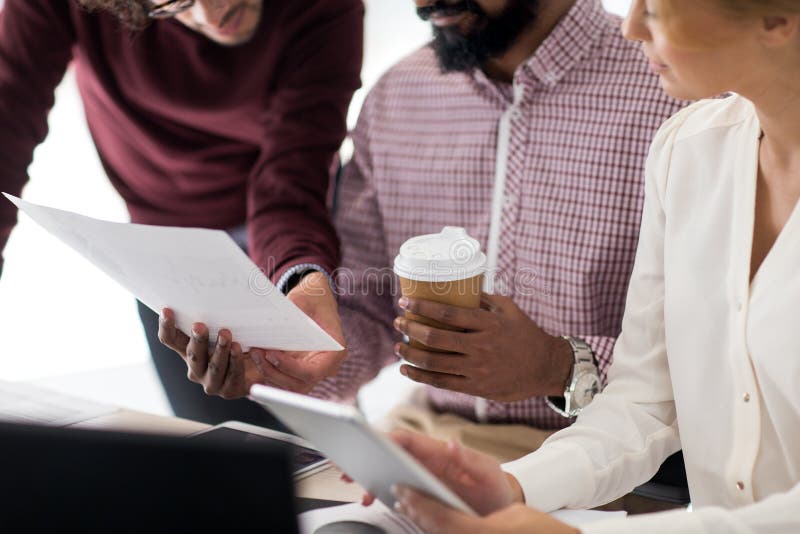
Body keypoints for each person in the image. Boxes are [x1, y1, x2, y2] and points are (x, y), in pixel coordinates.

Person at [169, 0, 687, 510]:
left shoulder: (678, 92)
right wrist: (290, 361)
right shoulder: (396, 95)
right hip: (418, 448)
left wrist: (559, 366)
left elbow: (715, 356)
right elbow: (368, 314)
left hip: (614, 471)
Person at [375, 0, 800, 531]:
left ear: (778, 19)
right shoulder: (688, 149)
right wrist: (511, 487)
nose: (630, 26)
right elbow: (646, 402)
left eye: (657, 8)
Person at [0, 0, 362, 426]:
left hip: (293, 233)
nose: (212, 15)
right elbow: (7, 122)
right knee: (215, 451)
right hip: (167, 257)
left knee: (315, 451)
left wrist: (299, 277)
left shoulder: (327, 8)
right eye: (175, 4)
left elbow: (291, 176)